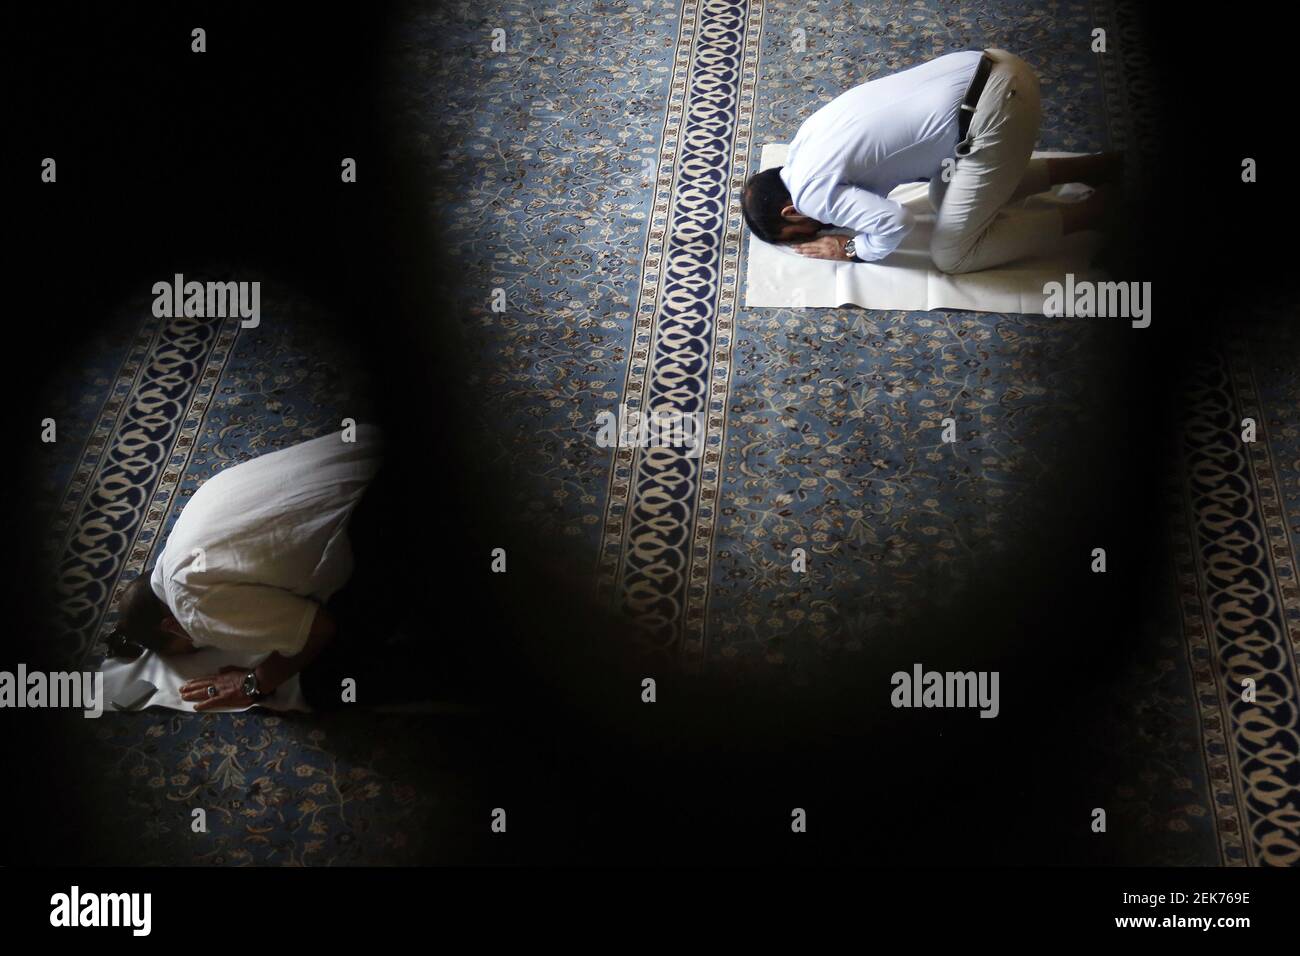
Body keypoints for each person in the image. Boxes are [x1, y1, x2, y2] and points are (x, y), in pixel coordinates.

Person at [741, 48, 1123, 274]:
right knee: (945, 201)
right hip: (989, 66)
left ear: (791, 210)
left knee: (952, 255)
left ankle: (1095, 211)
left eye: (806, 232)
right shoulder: (804, 142)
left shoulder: (810, 194)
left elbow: (896, 221)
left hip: (996, 111)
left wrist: (851, 249)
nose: (820, 229)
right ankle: (1092, 167)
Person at [111, 425, 384, 710]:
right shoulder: (190, 516)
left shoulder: (189, 603)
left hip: (386, 512)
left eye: (190, 646)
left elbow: (319, 629)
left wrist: (254, 682)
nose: (202, 643)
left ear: (170, 625)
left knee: (322, 682)